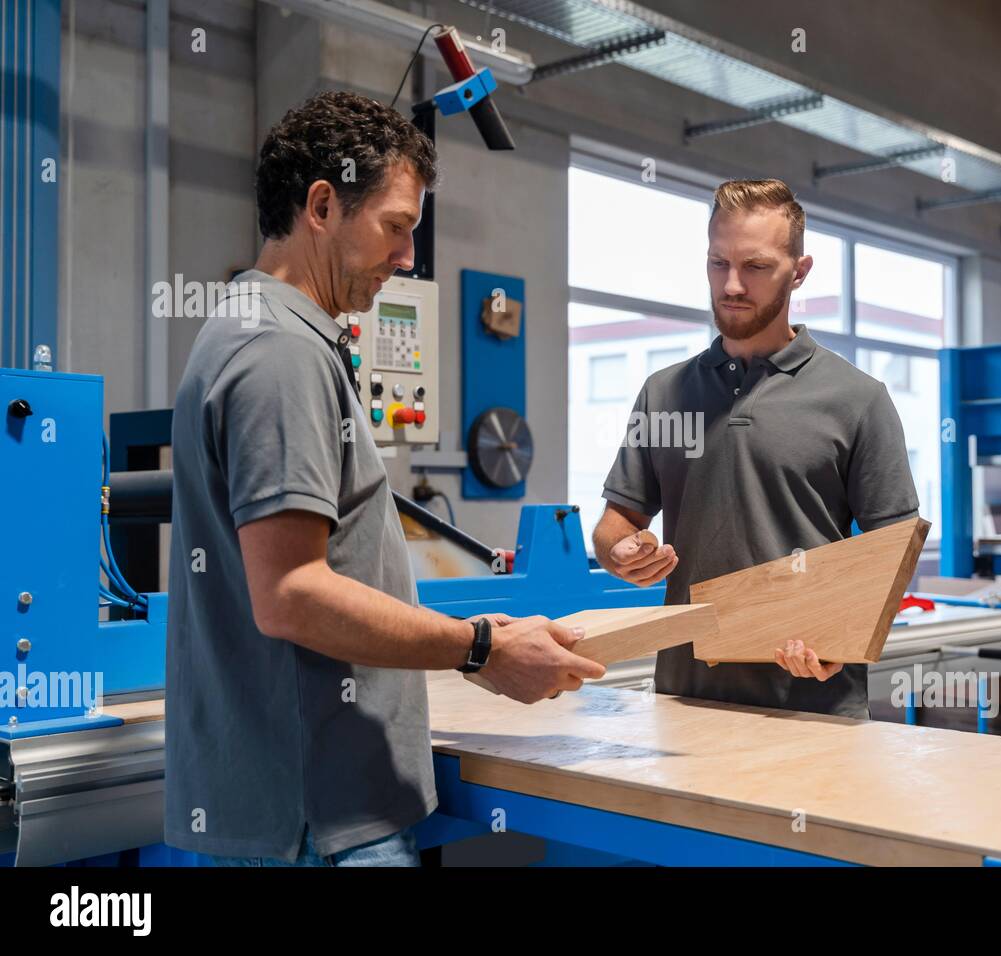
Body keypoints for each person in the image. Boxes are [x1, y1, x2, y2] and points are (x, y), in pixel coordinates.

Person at [165, 91, 603, 867]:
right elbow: (292, 593)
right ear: (323, 205)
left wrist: (486, 633)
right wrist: (477, 649)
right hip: (316, 820)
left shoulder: (263, 330)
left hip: (303, 807)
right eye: (396, 229)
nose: (407, 258)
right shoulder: (280, 354)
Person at [593, 178, 919, 718]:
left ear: (800, 270)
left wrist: (840, 639)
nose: (733, 285)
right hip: (683, 700)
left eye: (756, 267)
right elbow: (616, 522)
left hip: (812, 706)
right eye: (718, 264)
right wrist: (621, 553)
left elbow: (894, 553)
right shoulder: (665, 393)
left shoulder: (856, 399)